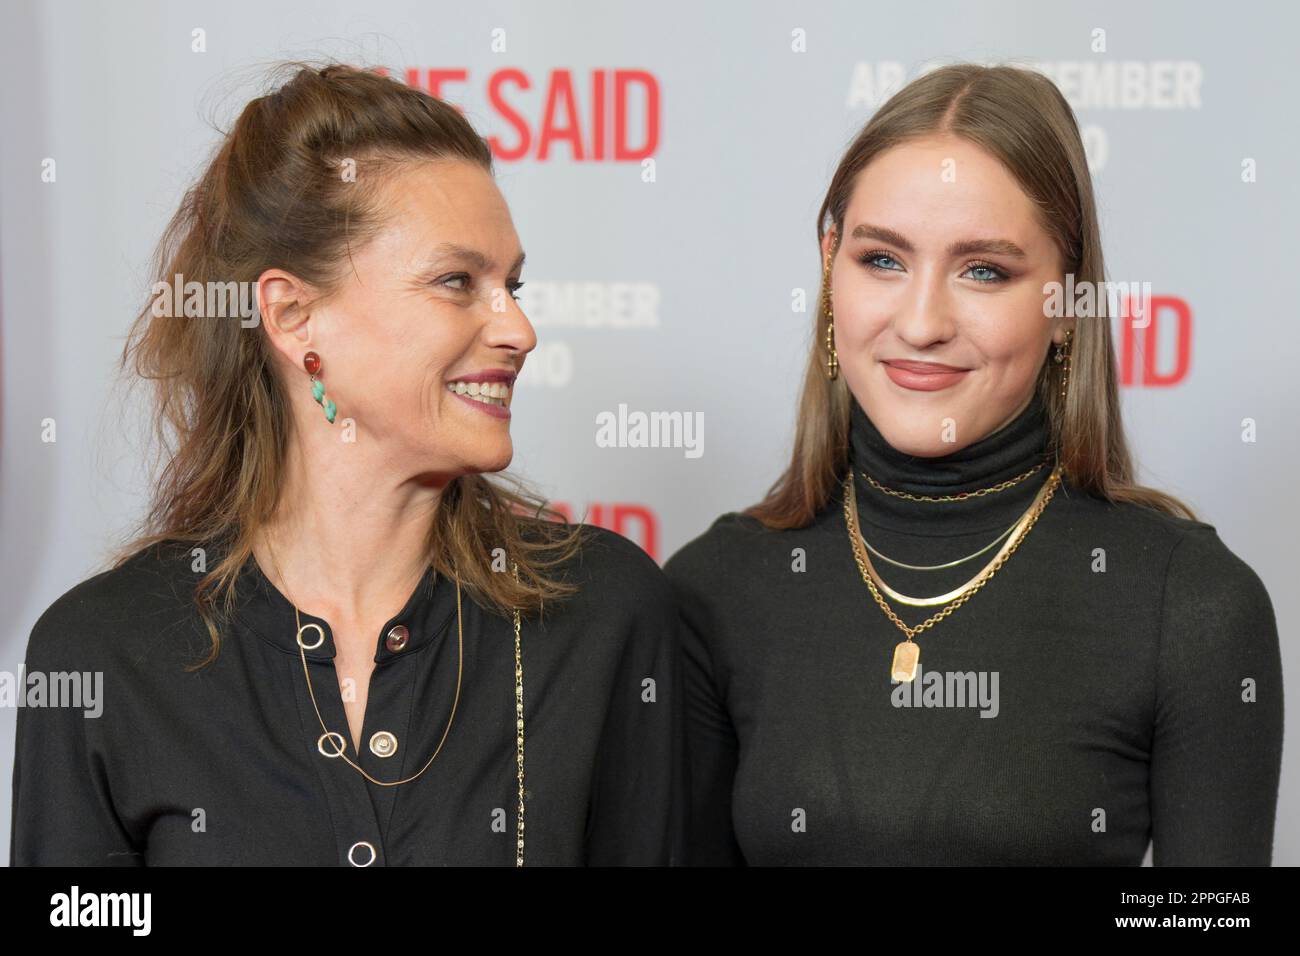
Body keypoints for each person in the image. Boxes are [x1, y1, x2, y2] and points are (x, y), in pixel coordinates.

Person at [11, 62, 684, 867]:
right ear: (294, 317)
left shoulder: (602, 612)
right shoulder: (104, 652)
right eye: (457, 282)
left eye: (513, 284)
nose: (519, 330)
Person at [665, 64, 1283, 866]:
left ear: (1066, 303)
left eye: (983, 270)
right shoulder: (716, 589)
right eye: (882, 259)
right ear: (830, 263)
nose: (921, 323)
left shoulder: (1192, 607)